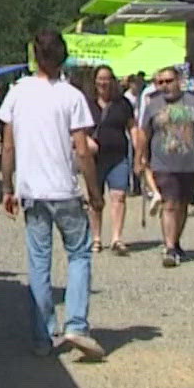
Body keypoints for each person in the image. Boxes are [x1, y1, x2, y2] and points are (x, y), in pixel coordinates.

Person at [0, 29, 105, 361]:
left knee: (39, 263)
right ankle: (76, 322)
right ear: (64, 57)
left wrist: (6, 186)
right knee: (79, 255)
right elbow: (83, 151)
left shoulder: (17, 93)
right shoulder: (72, 97)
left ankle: (43, 336)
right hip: (64, 189)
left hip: (32, 190)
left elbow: (8, 145)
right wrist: (94, 190)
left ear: (35, 56)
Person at [134, 66, 194, 268]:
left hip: (189, 163)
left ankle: (175, 241)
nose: (165, 86)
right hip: (162, 163)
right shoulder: (153, 106)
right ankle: (169, 247)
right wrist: (140, 158)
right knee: (169, 204)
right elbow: (143, 134)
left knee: (182, 205)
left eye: (169, 81)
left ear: (179, 81)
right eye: (160, 82)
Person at [87, 65, 136, 256]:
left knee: (119, 196)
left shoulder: (122, 103)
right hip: (94, 159)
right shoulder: (87, 103)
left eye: (107, 79)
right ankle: (96, 238)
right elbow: (75, 128)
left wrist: (139, 151)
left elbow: (132, 127)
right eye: (100, 79)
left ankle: (116, 238)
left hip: (118, 155)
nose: (103, 83)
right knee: (95, 199)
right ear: (94, 81)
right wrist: (85, 141)